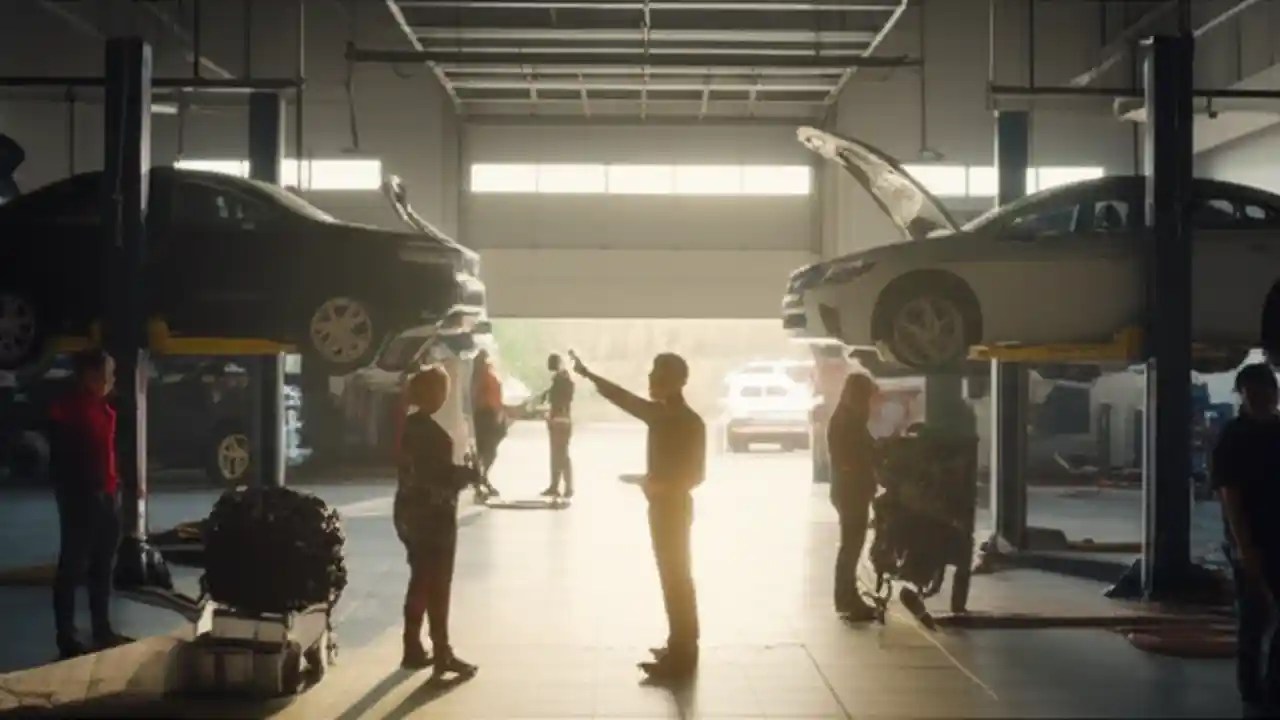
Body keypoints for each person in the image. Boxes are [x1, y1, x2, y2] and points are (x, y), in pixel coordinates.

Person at [570, 350, 704, 681]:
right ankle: (681, 644)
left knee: (677, 579)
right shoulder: (663, 415)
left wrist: (658, 486)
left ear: (676, 381)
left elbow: (696, 475)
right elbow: (624, 399)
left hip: (671, 507)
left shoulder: (685, 421)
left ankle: (683, 652)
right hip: (663, 506)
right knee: (673, 578)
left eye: (658, 374)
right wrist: (589, 375)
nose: (650, 380)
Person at [394, 365, 479, 678]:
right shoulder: (426, 432)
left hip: (410, 513)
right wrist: (466, 475)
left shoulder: (411, 427)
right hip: (433, 515)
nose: (444, 395)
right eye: (441, 388)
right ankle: (441, 650)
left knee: (421, 579)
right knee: (438, 583)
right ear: (429, 393)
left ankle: (413, 645)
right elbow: (436, 476)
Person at [48, 349, 131, 658]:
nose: (111, 380)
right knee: (72, 566)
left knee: (102, 566)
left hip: (107, 494)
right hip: (81, 498)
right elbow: (64, 460)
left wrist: (115, 488)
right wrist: (85, 491)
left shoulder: (103, 407)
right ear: (90, 376)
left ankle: (102, 629)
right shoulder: (68, 410)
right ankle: (66, 636)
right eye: (107, 374)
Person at [1213, 363, 1280, 713]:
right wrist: (1244, 548)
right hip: (1249, 539)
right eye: (1253, 395)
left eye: (1266, 393)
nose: (1261, 400)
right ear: (1242, 397)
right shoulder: (1233, 438)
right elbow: (1231, 497)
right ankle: (1252, 692)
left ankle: (1274, 688)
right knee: (1254, 618)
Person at [828, 373, 880, 622]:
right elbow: (851, 457)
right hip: (851, 491)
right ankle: (847, 599)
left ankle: (848, 597)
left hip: (849, 489)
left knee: (851, 545)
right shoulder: (847, 421)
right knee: (851, 545)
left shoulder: (847, 417)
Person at [539, 353, 576, 499]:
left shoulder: (562, 382)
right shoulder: (562, 381)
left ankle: (566, 487)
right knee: (557, 455)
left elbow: (560, 400)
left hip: (560, 421)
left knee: (561, 455)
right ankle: (556, 486)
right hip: (560, 420)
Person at [470, 350, 505, 497]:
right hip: (484, 414)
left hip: (490, 414)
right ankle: (480, 480)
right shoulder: (479, 377)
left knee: (488, 450)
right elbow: (476, 397)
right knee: (485, 450)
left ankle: (482, 479)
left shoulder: (488, 375)